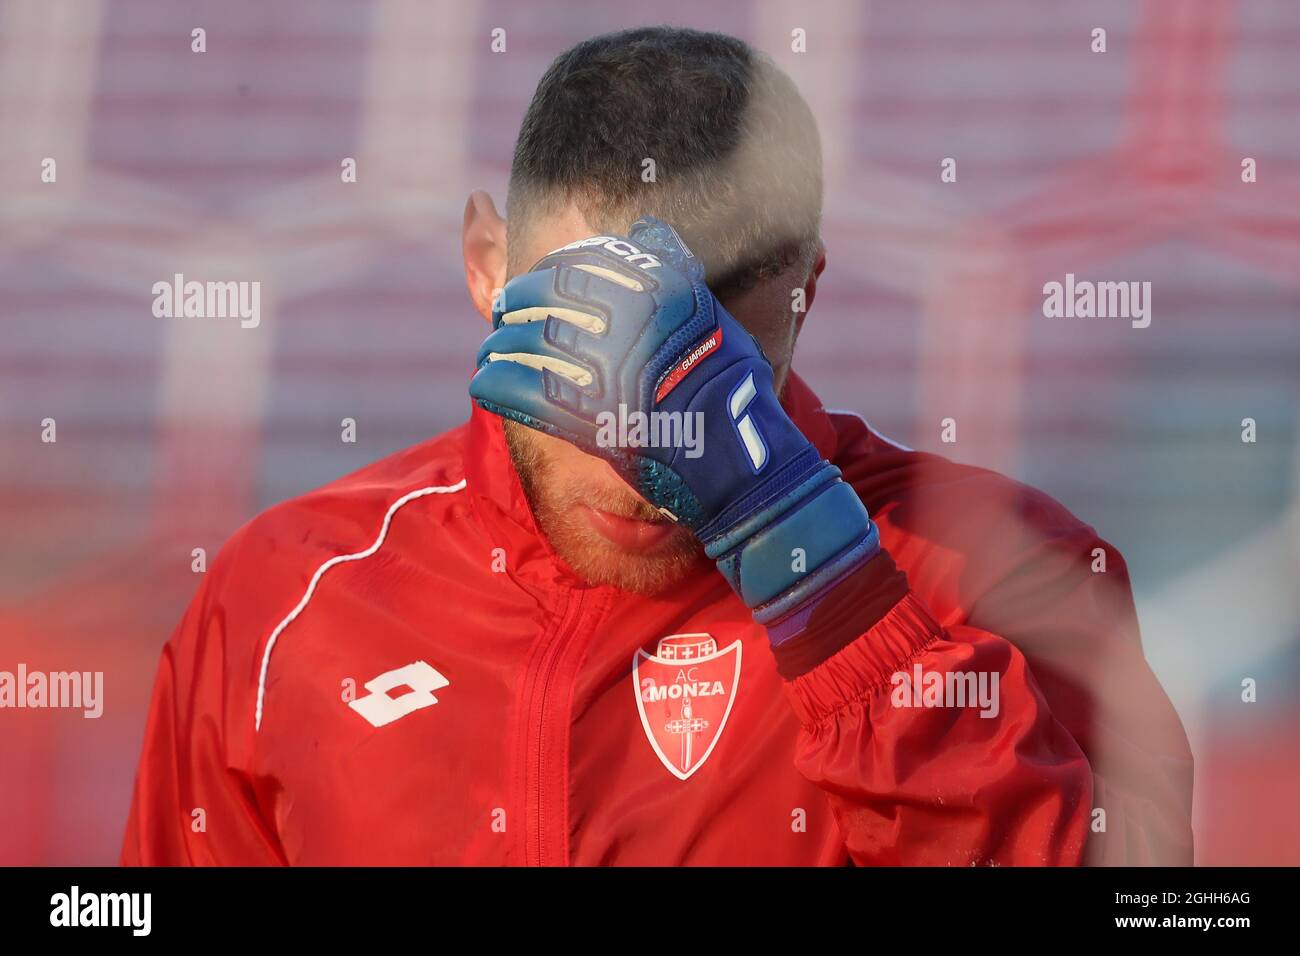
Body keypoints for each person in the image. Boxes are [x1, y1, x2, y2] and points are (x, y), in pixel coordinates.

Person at [122, 26, 1193, 866]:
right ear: (487, 263)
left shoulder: (1000, 567)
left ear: (806, 289)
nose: (639, 446)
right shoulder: (285, 598)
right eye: (588, 336)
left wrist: (834, 598)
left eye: (711, 360)